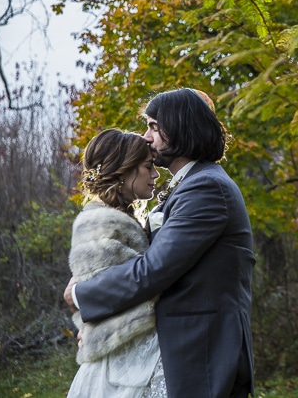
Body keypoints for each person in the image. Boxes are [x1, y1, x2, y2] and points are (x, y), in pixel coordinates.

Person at [65, 88, 256, 398]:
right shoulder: (190, 186)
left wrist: (81, 295)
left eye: (154, 126)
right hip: (182, 349)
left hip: (201, 351)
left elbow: (153, 271)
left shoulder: (206, 187)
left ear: (181, 127)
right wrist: (101, 330)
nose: (147, 137)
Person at [67, 128, 166, 398]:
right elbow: (127, 292)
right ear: (123, 172)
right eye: (148, 167)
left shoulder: (120, 219)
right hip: (121, 364)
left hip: (132, 354)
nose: (156, 175)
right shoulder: (103, 223)